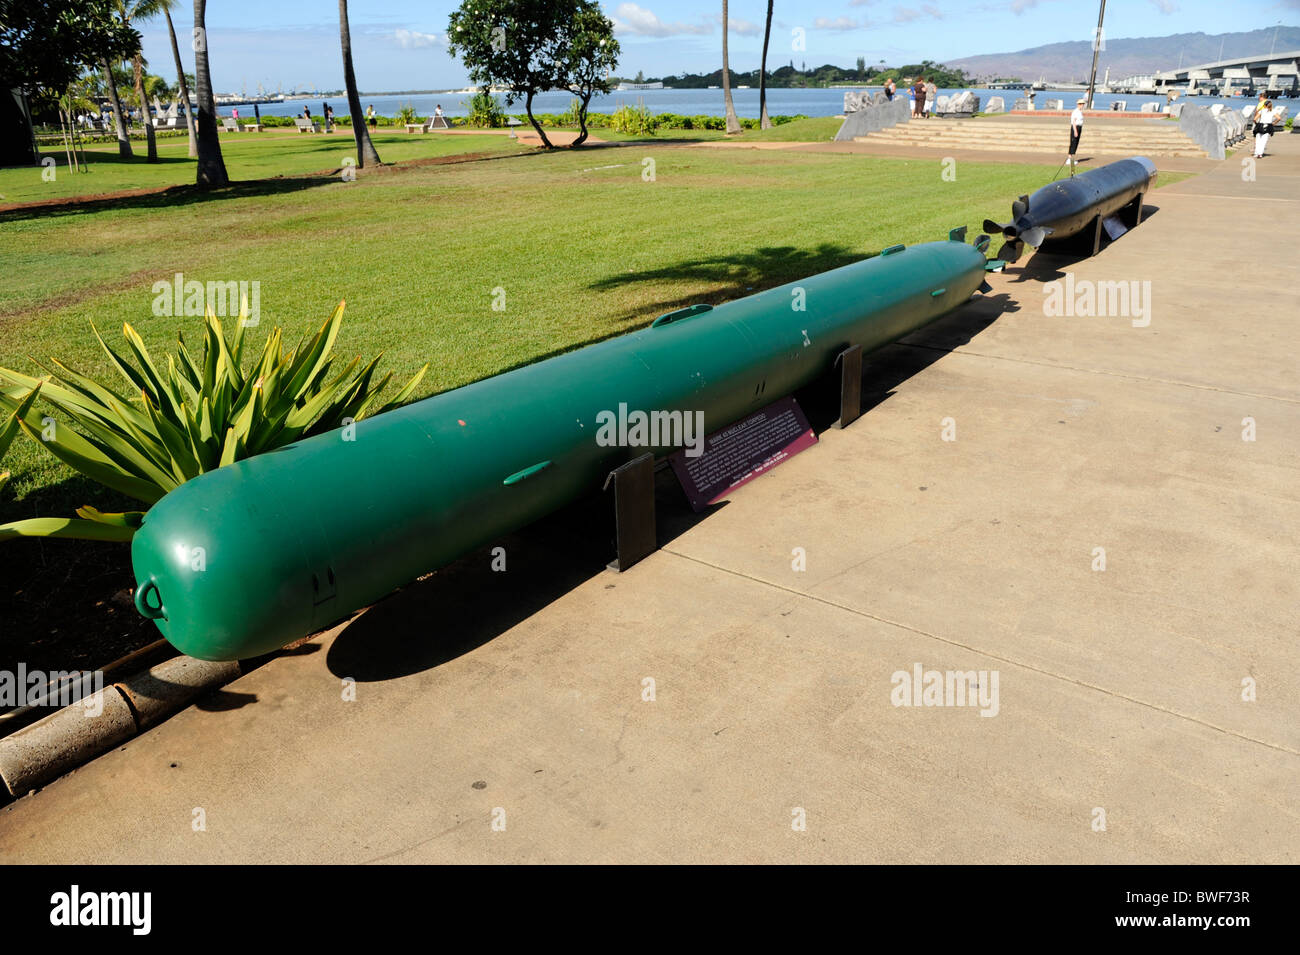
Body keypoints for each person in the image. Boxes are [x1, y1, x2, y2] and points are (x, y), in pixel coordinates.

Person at [1067, 97, 1085, 170]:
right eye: (1081, 104)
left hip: (1079, 127)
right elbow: (1073, 122)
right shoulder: (1076, 111)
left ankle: (1071, 158)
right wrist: (1075, 131)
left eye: (1083, 104)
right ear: (1078, 104)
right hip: (1076, 128)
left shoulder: (1080, 112)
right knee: (1073, 143)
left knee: (1076, 143)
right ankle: (1070, 159)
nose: (1082, 105)